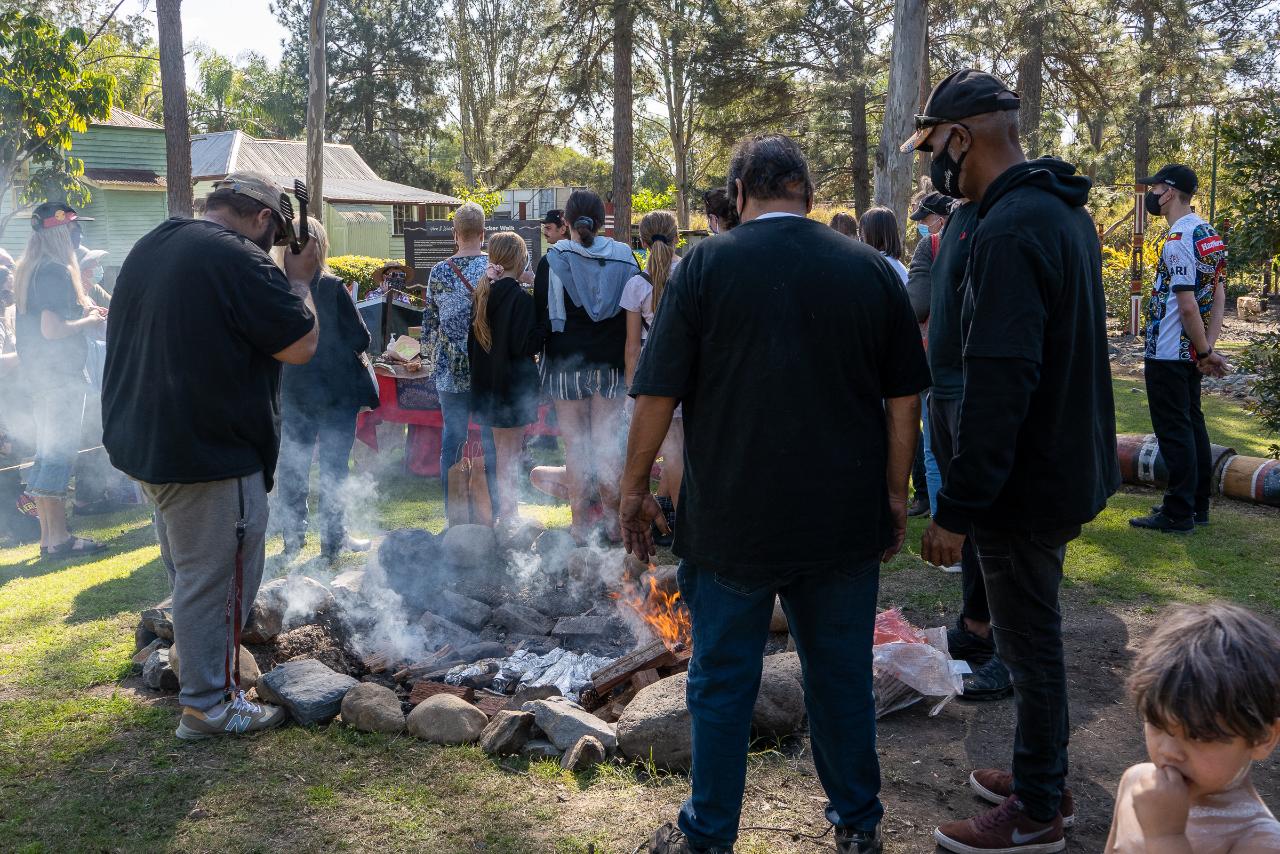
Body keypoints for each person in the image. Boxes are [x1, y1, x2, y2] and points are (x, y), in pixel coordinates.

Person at [622, 134, 931, 854]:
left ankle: (708, 835)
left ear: (737, 196)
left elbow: (657, 393)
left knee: (721, 682)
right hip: (841, 519)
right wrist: (895, 494)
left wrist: (633, 489)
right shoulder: (868, 267)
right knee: (840, 680)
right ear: (809, 197)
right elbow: (904, 400)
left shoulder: (704, 266)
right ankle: (858, 822)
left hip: (731, 522)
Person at [906, 70, 1119, 851]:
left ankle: (1036, 811)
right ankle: (1043, 777)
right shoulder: (1059, 212)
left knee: (1028, 645)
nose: (933, 163)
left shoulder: (1009, 229)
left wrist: (958, 508)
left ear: (961, 137)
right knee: (1034, 637)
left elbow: (1000, 382)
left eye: (933, 146)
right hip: (1059, 468)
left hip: (1025, 485)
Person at [103, 171, 318, 739]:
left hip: (149, 445)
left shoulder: (155, 242)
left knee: (192, 574)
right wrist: (300, 280)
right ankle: (210, 704)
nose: (273, 250)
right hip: (210, 453)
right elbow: (301, 343)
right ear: (264, 218)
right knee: (217, 581)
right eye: (275, 238)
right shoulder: (238, 258)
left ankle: (196, 674)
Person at [907, 189, 1012, 699]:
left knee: (997, 522)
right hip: (946, 389)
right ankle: (975, 627)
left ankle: (1010, 651)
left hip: (976, 391)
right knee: (971, 521)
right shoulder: (949, 232)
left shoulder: (1001, 224)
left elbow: (921, 303)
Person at [1104, 603, 1280, 853]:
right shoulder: (1135, 782)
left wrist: (1165, 837)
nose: (1168, 751)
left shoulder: (1261, 842)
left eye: (1197, 735)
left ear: (1263, 737)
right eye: (1156, 723)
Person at [1129, 165, 1228, 534]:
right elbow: (1218, 294)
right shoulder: (1209, 233)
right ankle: (1197, 505)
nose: (1153, 195)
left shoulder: (1178, 239)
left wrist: (1203, 352)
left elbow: (1187, 306)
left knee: (1174, 431)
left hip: (1169, 350)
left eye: (1155, 188)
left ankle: (1177, 512)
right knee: (1192, 425)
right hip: (1190, 353)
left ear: (1169, 192)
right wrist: (1207, 349)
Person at [536, 189, 639, 543]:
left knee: (576, 447)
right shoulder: (626, 257)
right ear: (601, 221)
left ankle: (580, 525)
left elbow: (542, 319)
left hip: (566, 364)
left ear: (566, 222)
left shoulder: (553, 259)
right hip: (610, 364)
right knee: (607, 445)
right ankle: (613, 523)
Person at [275, 216, 378, 562]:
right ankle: (332, 541)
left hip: (293, 391)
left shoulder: (277, 287)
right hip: (336, 394)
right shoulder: (332, 288)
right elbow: (361, 338)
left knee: (294, 467)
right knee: (334, 468)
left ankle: (293, 539)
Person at [12, 203, 108, 557]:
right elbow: (52, 330)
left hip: (41, 378)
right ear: (61, 232)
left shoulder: (32, 270)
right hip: (60, 378)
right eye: (72, 229)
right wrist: (90, 321)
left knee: (46, 455)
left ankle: (48, 538)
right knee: (57, 457)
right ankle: (59, 539)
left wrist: (83, 311)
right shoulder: (55, 271)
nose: (76, 235)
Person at [420, 201, 498, 517]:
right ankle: (491, 510)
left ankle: (454, 513)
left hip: (450, 372)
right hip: (487, 368)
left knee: (452, 441)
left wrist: (429, 359)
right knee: (491, 440)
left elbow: (429, 326)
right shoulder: (494, 270)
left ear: (455, 234)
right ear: (483, 233)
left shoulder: (438, 271)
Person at [858, 205, 935, 518]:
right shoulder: (896, 267)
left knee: (904, 425)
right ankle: (921, 491)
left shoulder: (881, 268)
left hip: (893, 356)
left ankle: (920, 491)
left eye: (863, 231)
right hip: (902, 354)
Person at [468, 232, 543, 524]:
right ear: (521, 259)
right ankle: (510, 515)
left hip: (488, 385)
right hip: (513, 387)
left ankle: (506, 512)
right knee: (510, 455)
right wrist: (544, 326)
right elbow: (526, 345)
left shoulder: (482, 295)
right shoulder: (520, 299)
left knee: (502, 453)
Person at [621, 210, 683, 544]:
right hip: (690, 372)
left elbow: (633, 347)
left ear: (642, 241)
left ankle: (683, 526)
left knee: (673, 453)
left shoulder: (636, 285)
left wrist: (632, 392)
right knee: (681, 452)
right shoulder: (689, 273)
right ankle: (682, 522)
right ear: (677, 238)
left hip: (654, 377)